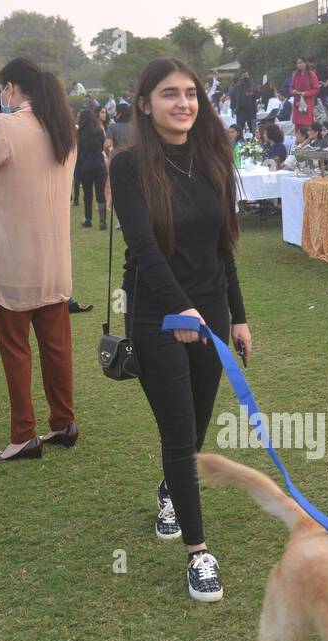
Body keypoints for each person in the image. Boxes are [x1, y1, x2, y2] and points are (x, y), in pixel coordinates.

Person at [107, 57, 253, 602]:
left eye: (190, 93)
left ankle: (172, 486)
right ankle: (198, 553)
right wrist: (180, 309)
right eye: (169, 94)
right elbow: (142, 248)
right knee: (177, 431)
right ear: (145, 104)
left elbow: (224, 245)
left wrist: (236, 316)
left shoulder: (214, 156)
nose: (183, 103)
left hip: (210, 309)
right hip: (156, 313)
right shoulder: (128, 167)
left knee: (194, 427)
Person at [0, 56, 79, 462]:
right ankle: (63, 422)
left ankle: (24, 434)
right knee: (56, 348)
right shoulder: (62, 130)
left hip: (12, 262)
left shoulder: (3, 126)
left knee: (16, 350)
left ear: (9, 89)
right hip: (54, 261)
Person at [75, 107, 108, 230]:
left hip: (85, 166)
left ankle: (88, 219)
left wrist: (77, 170)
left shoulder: (79, 133)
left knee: (87, 195)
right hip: (98, 164)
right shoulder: (99, 131)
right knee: (100, 194)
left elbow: (78, 153)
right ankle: (102, 221)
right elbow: (101, 148)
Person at [289, 56, 320, 139]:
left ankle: (307, 141)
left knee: (306, 125)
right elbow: (291, 87)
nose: (298, 65)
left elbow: (316, 89)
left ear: (305, 63)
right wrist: (293, 91)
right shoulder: (296, 75)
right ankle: (298, 142)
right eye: (297, 63)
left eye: (300, 63)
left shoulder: (311, 74)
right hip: (297, 103)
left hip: (307, 104)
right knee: (297, 125)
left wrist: (305, 93)